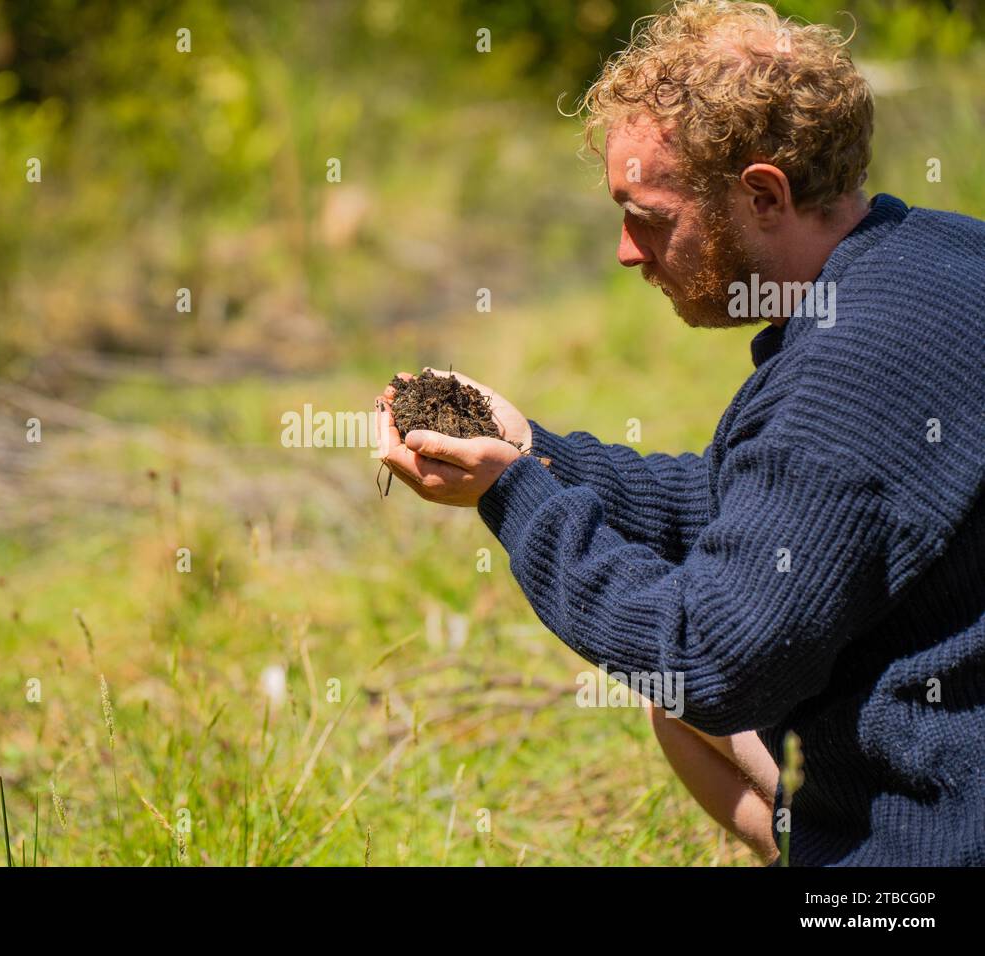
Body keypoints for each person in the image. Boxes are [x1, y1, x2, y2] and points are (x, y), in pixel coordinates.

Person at [376, 0, 985, 866]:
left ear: (764, 194)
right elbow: (749, 503)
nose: (627, 252)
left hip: (946, 825)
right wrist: (533, 450)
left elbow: (713, 661)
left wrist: (515, 499)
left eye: (651, 217)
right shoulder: (940, 253)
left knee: (684, 691)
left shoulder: (849, 376)